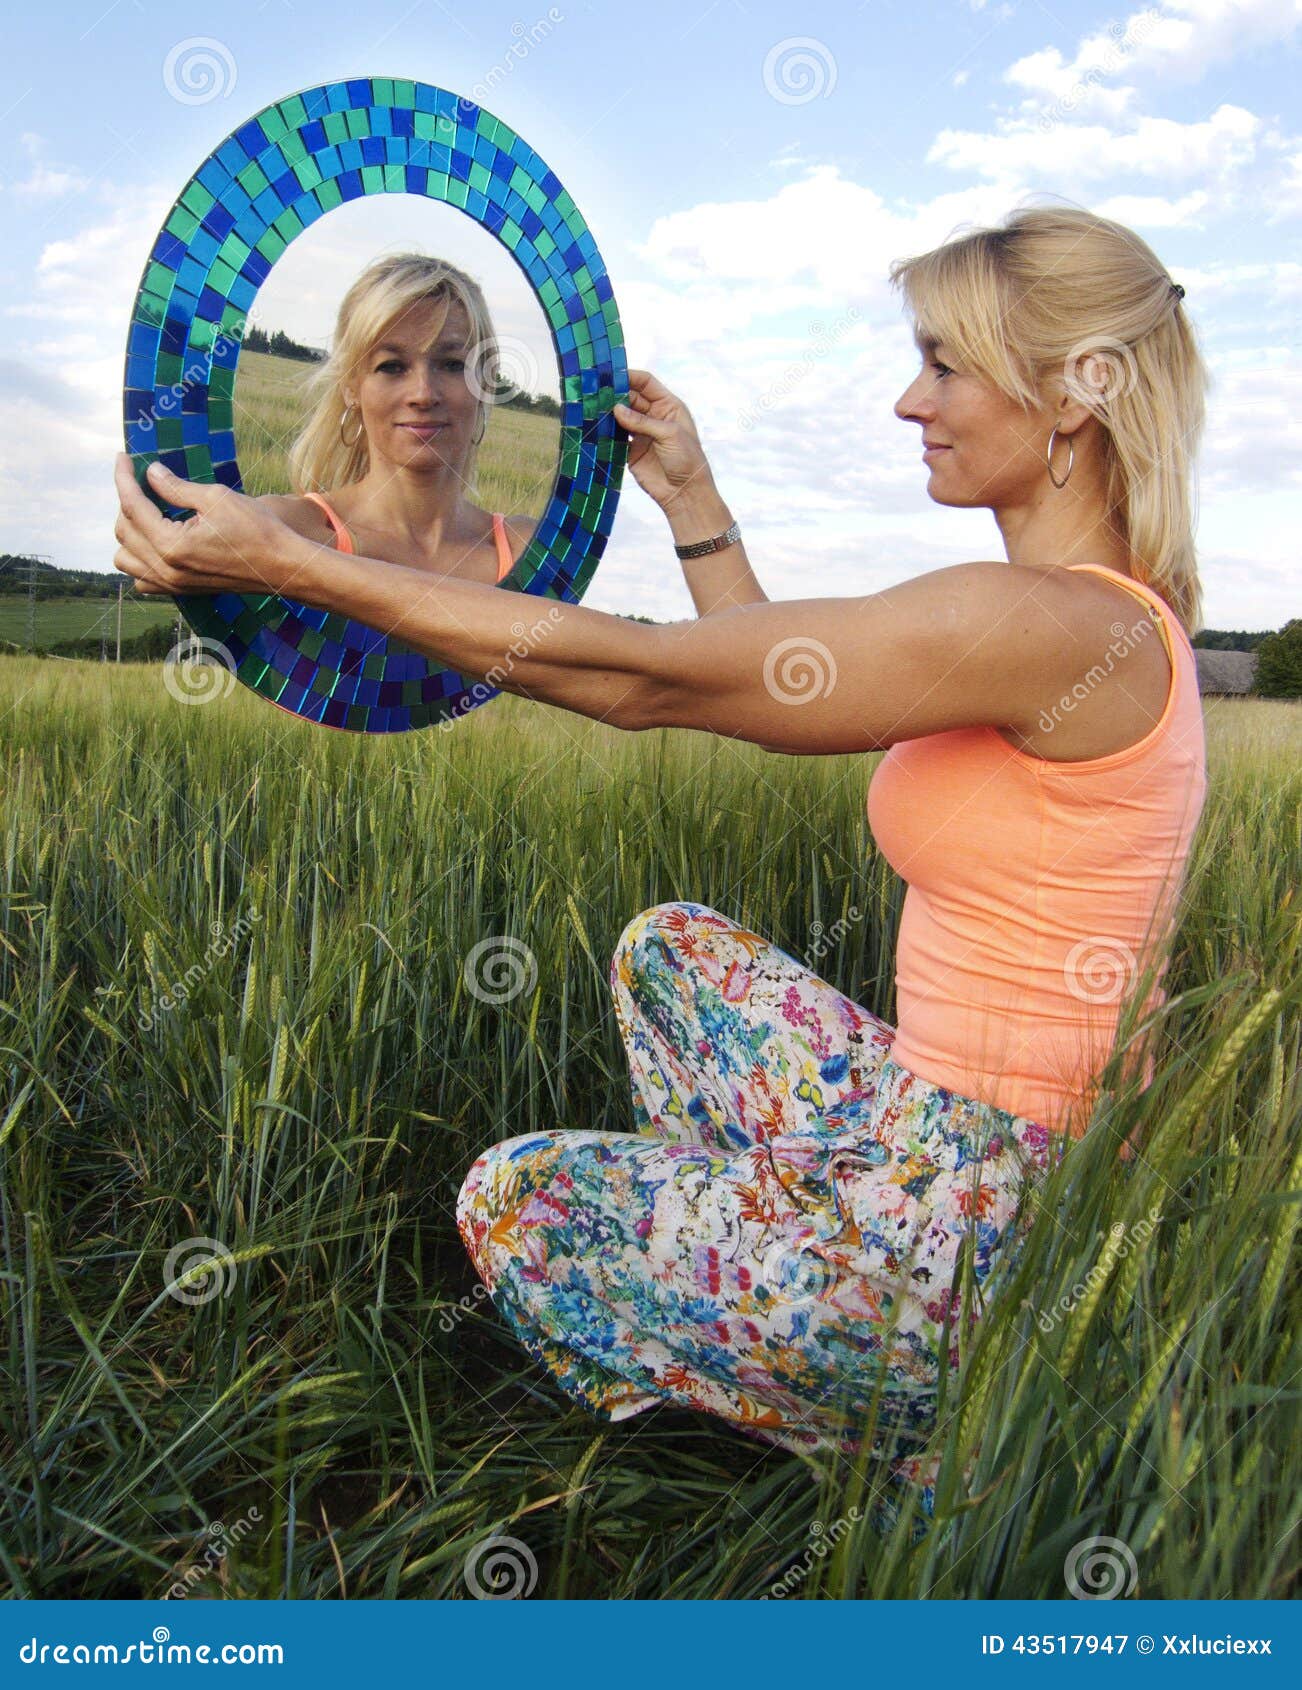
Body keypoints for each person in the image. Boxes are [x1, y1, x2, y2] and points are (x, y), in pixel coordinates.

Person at [111, 203, 1209, 1526]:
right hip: (944, 1131)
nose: (909, 400)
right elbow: (769, 684)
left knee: (518, 1200)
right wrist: (692, 498)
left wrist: (298, 565)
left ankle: (936, 1436)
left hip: (1003, 1226)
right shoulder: (1059, 617)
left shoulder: (1048, 622)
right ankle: (788, 1278)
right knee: (672, 951)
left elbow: (648, 683)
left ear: (1075, 392)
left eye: (944, 364)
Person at [253, 253, 539, 587]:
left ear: (485, 385)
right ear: (351, 386)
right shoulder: (286, 530)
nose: (423, 394)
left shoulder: (530, 549)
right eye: (391, 366)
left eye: (452, 364)